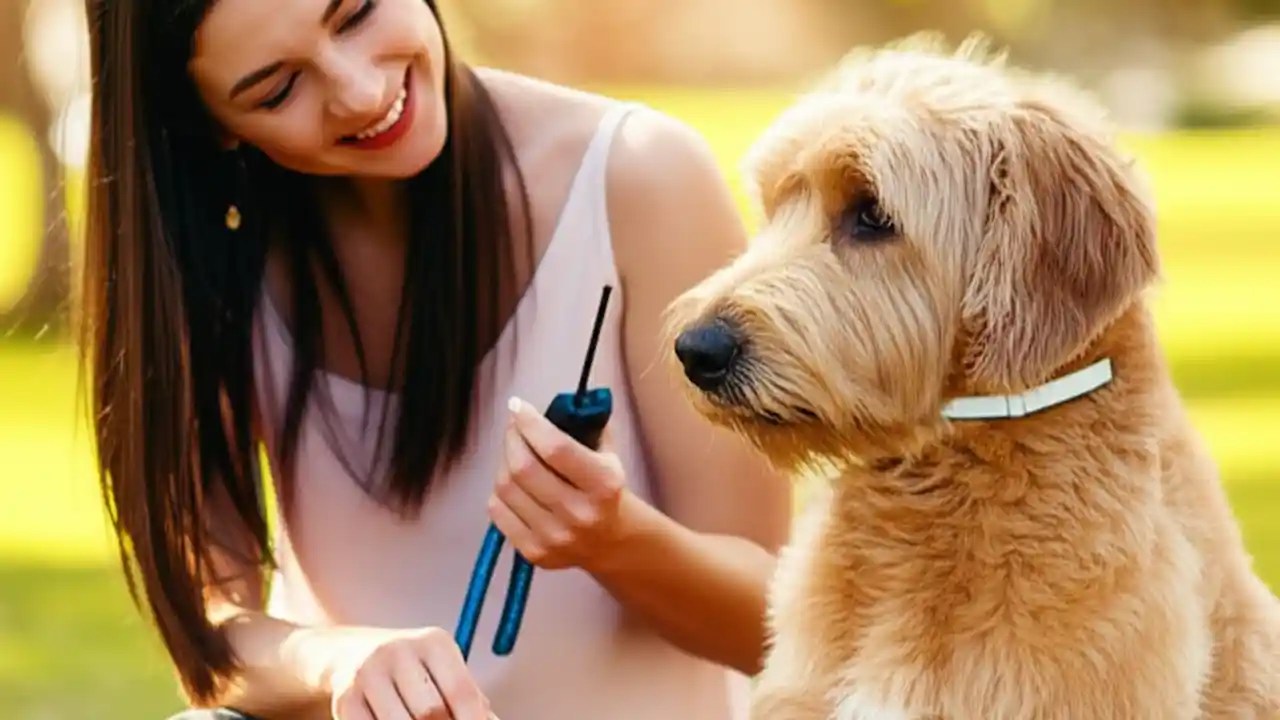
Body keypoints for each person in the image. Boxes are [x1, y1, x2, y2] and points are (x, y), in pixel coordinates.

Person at [80, 1, 793, 719]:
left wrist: (616, 541)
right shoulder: (208, 257)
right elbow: (210, 639)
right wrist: (340, 660)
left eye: (355, 13)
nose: (359, 92)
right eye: (277, 89)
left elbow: (774, 627)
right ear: (208, 123)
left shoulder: (640, 178)